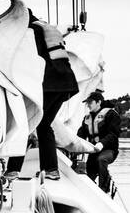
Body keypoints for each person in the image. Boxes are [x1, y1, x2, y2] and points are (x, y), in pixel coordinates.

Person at [8, 11, 80, 180]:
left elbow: (27, 59)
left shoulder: (30, 32)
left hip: (51, 83)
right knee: (44, 125)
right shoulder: (46, 28)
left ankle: (12, 170)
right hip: (66, 83)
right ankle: (51, 170)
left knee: (26, 123)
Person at [77, 90, 121, 194]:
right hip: (94, 151)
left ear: (99, 102)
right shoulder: (87, 118)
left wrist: (102, 143)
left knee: (102, 160)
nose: (88, 105)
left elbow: (113, 135)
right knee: (89, 173)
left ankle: (104, 190)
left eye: (90, 103)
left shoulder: (111, 114)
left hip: (109, 150)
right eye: (87, 103)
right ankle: (90, 192)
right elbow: (80, 135)